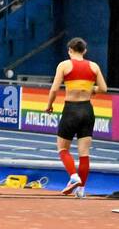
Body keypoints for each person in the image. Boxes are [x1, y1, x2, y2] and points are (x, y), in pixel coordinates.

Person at [44, 37, 107, 198]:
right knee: (84, 153)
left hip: (71, 109)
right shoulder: (94, 66)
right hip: (87, 109)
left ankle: (73, 176)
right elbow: (104, 88)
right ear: (84, 51)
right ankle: (81, 190)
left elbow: (54, 89)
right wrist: (90, 90)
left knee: (63, 148)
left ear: (69, 50)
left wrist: (49, 105)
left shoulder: (64, 65)